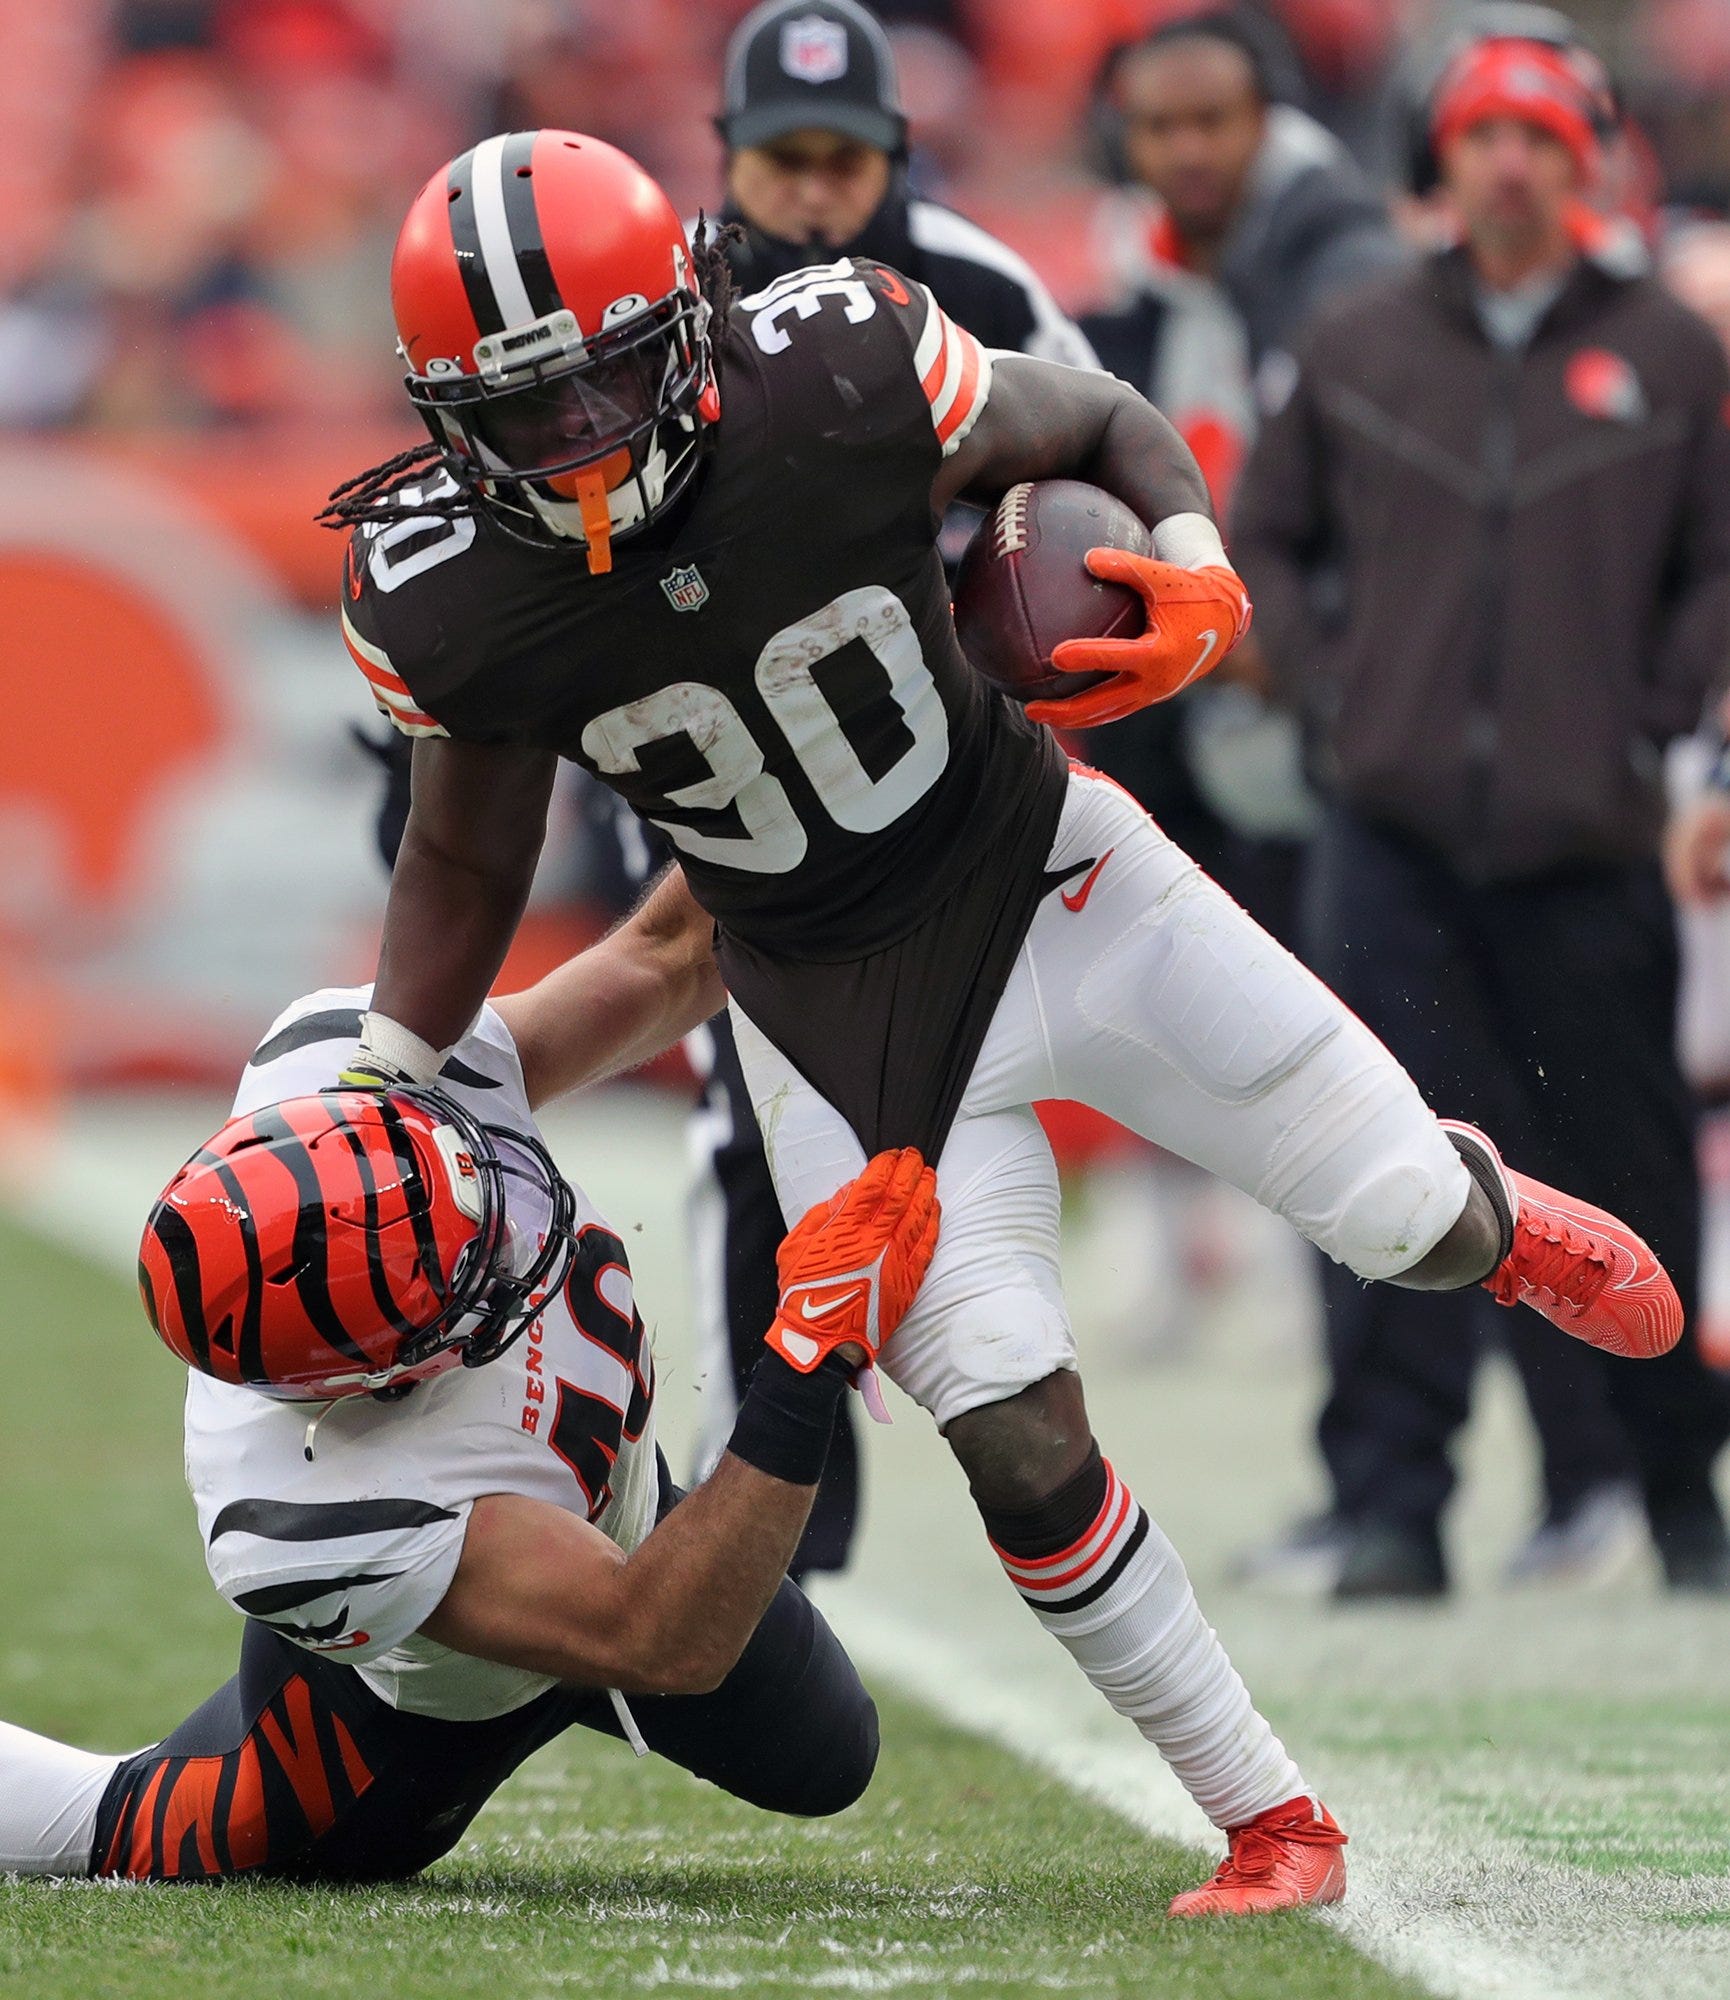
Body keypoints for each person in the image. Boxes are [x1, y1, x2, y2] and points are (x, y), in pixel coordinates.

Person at [323, 127, 1683, 1913]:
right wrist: (391, 1077)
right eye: (522, 411)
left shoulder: (838, 362)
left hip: (1054, 876)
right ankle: (1272, 1816)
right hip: (829, 1015)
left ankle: (1475, 1207)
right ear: (443, 414)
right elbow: (461, 854)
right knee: (1007, 1422)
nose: (574, 439)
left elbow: (1103, 422)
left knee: (1401, 1227)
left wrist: (1194, 562)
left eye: (601, 382)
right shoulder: (447, 586)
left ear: (686, 323)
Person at [0, 878, 935, 1882]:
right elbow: (655, 1634)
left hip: (621, 1512)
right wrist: (804, 1358)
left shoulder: (340, 1062)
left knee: (832, 1754)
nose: (506, 1243)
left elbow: (663, 956)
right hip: (402, 1731)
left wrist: (818, 825)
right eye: (463, 1275)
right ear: (368, 1382)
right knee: (130, 1827)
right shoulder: (308, 1514)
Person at [1232, 31, 1730, 1598]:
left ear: (1587, 157)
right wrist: (1339, 695)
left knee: (1633, 1173)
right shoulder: (1357, 336)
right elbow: (1266, 541)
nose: (1510, 161)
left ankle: (1673, 1497)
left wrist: (1650, 715)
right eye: (1482, 135)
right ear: (1437, 158)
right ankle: (1390, 1506)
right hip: (1390, 838)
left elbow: (1713, 568)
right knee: (1382, 1168)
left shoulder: (1668, 348)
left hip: (1586, 841)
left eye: (1538, 135)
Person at [686, 0, 1099, 1581]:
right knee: (756, 1129)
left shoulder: (986, 292)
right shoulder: (665, 306)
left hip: (967, 775)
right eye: (780, 157)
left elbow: (1087, 474)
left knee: (976, 1104)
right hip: (762, 787)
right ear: (727, 155)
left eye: (838, 159)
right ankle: (798, 1526)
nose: (808, 189)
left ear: (894, 162)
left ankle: (1026, 1444)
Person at [1078, 7, 1404, 944]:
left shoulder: (1344, 279)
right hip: (1192, 738)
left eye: (1212, 121)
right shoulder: (1136, 301)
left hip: (1324, 745)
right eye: (1159, 126)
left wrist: (1292, 636)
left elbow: (1387, 515)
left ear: (1268, 123)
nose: (1187, 151)